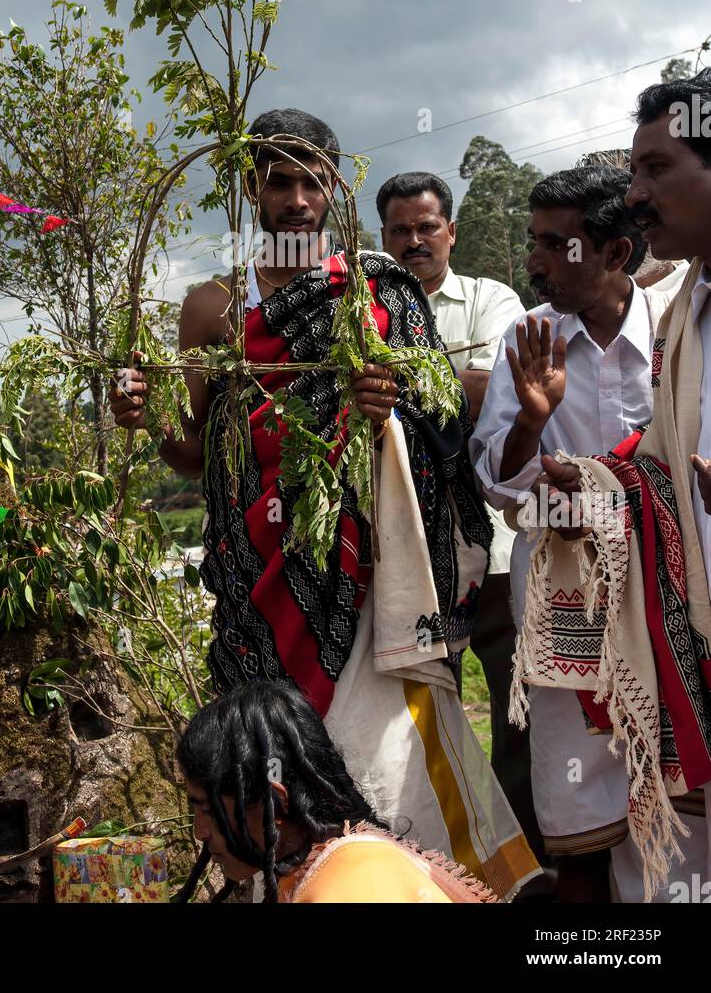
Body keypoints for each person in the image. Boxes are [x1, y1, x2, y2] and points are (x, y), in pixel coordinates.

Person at [111, 108, 539, 899]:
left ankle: (417, 887)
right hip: (257, 578)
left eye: (314, 181)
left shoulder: (377, 291)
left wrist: (393, 404)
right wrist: (145, 420)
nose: (299, 199)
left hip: (371, 574)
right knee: (278, 749)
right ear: (251, 188)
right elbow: (200, 452)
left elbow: (443, 418)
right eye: (280, 181)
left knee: (389, 753)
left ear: (339, 187)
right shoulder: (213, 307)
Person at [516, 73, 711, 901]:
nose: (636, 194)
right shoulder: (687, 311)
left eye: (656, 168)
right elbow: (662, 459)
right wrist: (593, 478)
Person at [471, 165, 681, 902]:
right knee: (581, 822)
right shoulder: (527, 339)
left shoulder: (676, 329)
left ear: (617, 254)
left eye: (555, 245)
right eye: (533, 242)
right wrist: (532, 416)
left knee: (683, 795)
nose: (533, 262)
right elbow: (499, 485)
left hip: (672, 604)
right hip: (569, 614)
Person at [377, 171, 541, 860]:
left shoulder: (491, 298)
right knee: (416, 718)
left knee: (519, 718)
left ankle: (529, 864)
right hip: (410, 558)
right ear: (382, 239)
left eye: (427, 227)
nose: (415, 241)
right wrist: (448, 382)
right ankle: (439, 864)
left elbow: (502, 391)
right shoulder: (365, 309)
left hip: (496, 556)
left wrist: (397, 380)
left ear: (451, 232)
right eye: (400, 231)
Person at [177, 679, 501, 903]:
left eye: (208, 809)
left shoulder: (353, 884)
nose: (199, 832)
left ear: (275, 804)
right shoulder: (325, 864)